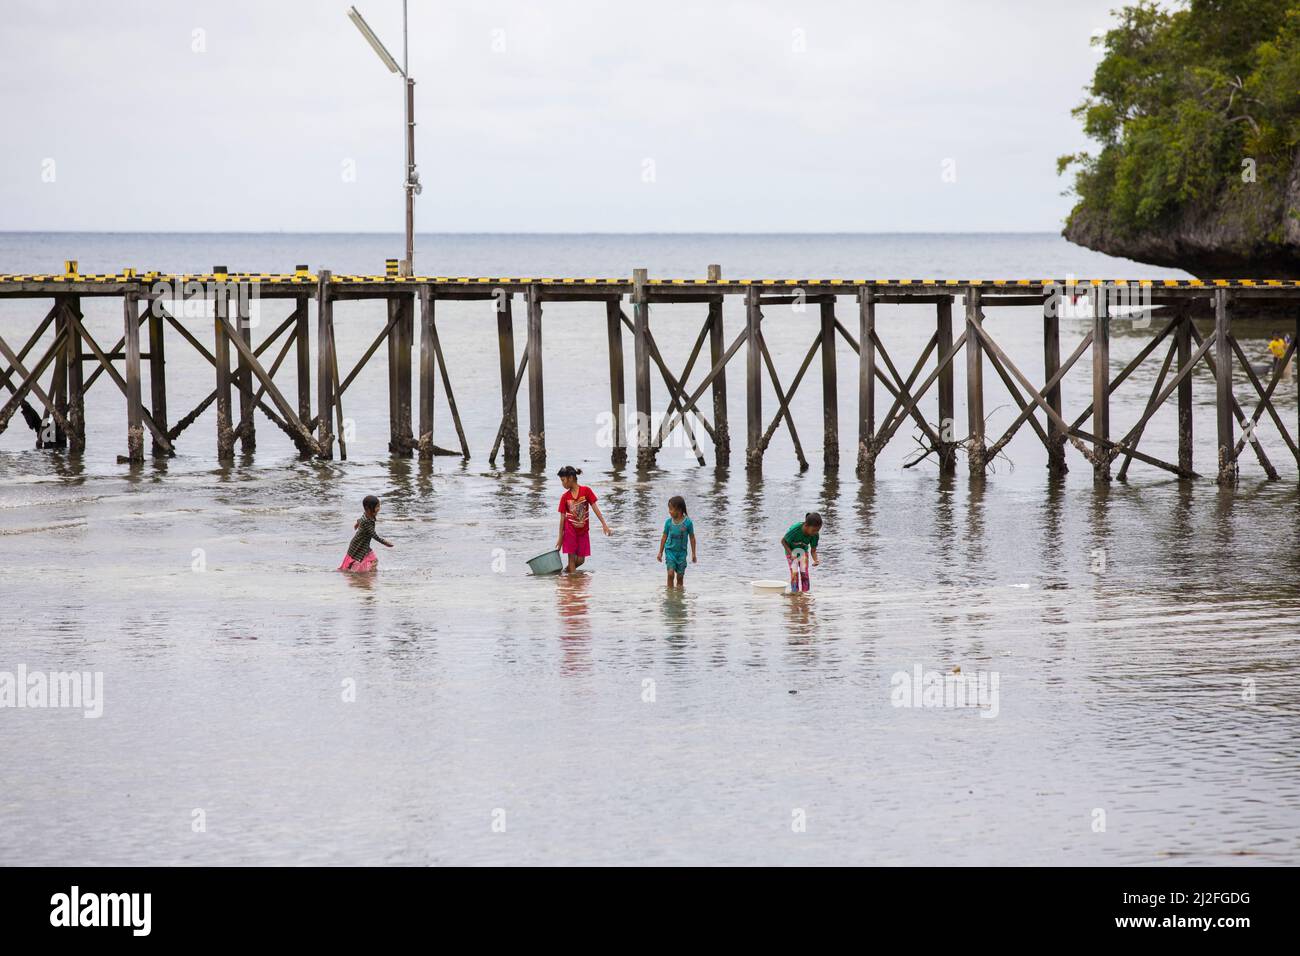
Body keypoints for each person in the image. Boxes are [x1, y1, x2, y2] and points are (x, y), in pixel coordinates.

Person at [554, 465, 611, 573]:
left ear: (570, 478)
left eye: (563, 480)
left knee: (581, 560)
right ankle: (574, 584)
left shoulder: (586, 491)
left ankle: (566, 573)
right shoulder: (565, 497)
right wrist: (560, 537)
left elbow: (595, 508)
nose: (562, 484)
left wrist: (604, 524)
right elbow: (562, 518)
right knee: (571, 559)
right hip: (569, 530)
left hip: (583, 531)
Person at [339, 494, 393, 572]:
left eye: (379, 506)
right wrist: (385, 542)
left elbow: (362, 518)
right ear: (368, 509)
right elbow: (374, 535)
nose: (379, 509)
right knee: (371, 561)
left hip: (363, 544)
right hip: (359, 545)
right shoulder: (368, 522)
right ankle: (367, 577)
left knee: (370, 561)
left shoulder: (367, 515)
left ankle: (365, 575)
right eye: (377, 507)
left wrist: (357, 523)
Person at [656, 495, 696, 587]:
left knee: (680, 577)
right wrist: (660, 552)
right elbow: (664, 537)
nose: (669, 511)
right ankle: (670, 595)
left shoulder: (688, 523)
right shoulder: (668, 523)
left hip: (682, 553)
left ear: (679, 510)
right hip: (670, 551)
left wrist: (693, 553)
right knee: (670, 574)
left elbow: (692, 538)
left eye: (671, 509)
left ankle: (679, 597)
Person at [781, 512, 823, 593]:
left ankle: (805, 594)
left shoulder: (815, 535)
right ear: (806, 526)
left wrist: (816, 560)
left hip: (803, 553)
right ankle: (795, 593)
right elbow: (783, 541)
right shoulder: (795, 529)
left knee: (804, 574)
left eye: (818, 530)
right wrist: (791, 554)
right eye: (814, 530)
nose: (815, 532)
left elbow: (813, 550)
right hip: (791, 552)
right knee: (794, 574)